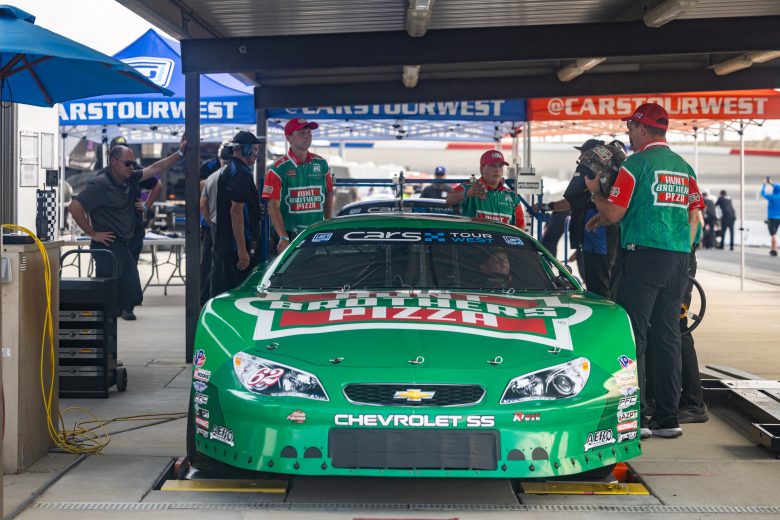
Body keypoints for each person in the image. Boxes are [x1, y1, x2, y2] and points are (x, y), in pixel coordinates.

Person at [584, 102, 705, 439]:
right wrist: (683, 246)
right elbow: (696, 215)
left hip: (644, 258)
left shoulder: (636, 164)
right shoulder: (684, 167)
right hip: (679, 260)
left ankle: (634, 418)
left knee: (633, 334)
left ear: (641, 129)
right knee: (667, 336)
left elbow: (615, 214)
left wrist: (596, 194)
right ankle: (668, 419)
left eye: (630, 128)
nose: (628, 133)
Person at [69, 139, 186, 319]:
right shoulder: (100, 183)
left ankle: (119, 315)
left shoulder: (128, 178)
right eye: (127, 163)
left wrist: (179, 154)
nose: (131, 167)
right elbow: (74, 207)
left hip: (124, 244)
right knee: (108, 297)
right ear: (113, 161)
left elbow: (154, 168)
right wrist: (93, 233)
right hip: (107, 246)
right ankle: (105, 332)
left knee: (132, 293)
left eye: (133, 163)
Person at [108, 137, 166, 321]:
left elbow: (158, 184)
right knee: (113, 267)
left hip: (133, 227)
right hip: (114, 229)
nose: (127, 165)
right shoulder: (106, 174)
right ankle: (115, 305)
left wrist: (147, 205)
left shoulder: (135, 170)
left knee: (130, 267)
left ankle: (128, 307)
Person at [263, 118, 333, 255]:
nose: (307, 135)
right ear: (289, 138)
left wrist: (328, 223)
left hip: (315, 232)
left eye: (309, 132)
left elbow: (329, 192)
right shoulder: (278, 168)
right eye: (301, 133)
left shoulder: (322, 163)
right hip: (288, 235)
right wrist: (283, 237)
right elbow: (272, 206)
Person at [212, 132, 263, 296]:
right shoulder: (241, 172)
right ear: (244, 149)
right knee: (237, 293)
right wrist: (242, 249)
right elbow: (236, 210)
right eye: (254, 150)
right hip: (236, 246)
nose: (256, 155)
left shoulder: (230, 169)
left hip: (229, 243)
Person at [446, 150, 525, 228]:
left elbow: (520, 227)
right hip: (474, 240)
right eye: (493, 165)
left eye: (500, 166)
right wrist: (467, 193)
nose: (497, 169)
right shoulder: (468, 187)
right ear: (481, 169)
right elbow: (448, 200)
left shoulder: (512, 196)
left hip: (501, 240)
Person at [199, 143, 231, 303]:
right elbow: (200, 191)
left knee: (212, 263)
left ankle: (205, 298)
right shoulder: (209, 167)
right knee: (210, 263)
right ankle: (206, 297)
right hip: (212, 224)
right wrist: (210, 221)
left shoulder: (215, 171)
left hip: (211, 222)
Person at [760, 178, 780, 256]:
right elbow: (778, 187)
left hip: (772, 217)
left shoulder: (772, 197)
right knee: (773, 234)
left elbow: (762, 193)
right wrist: (772, 183)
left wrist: (764, 185)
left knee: (773, 234)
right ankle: (772, 249)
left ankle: (775, 249)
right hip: (779, 218)